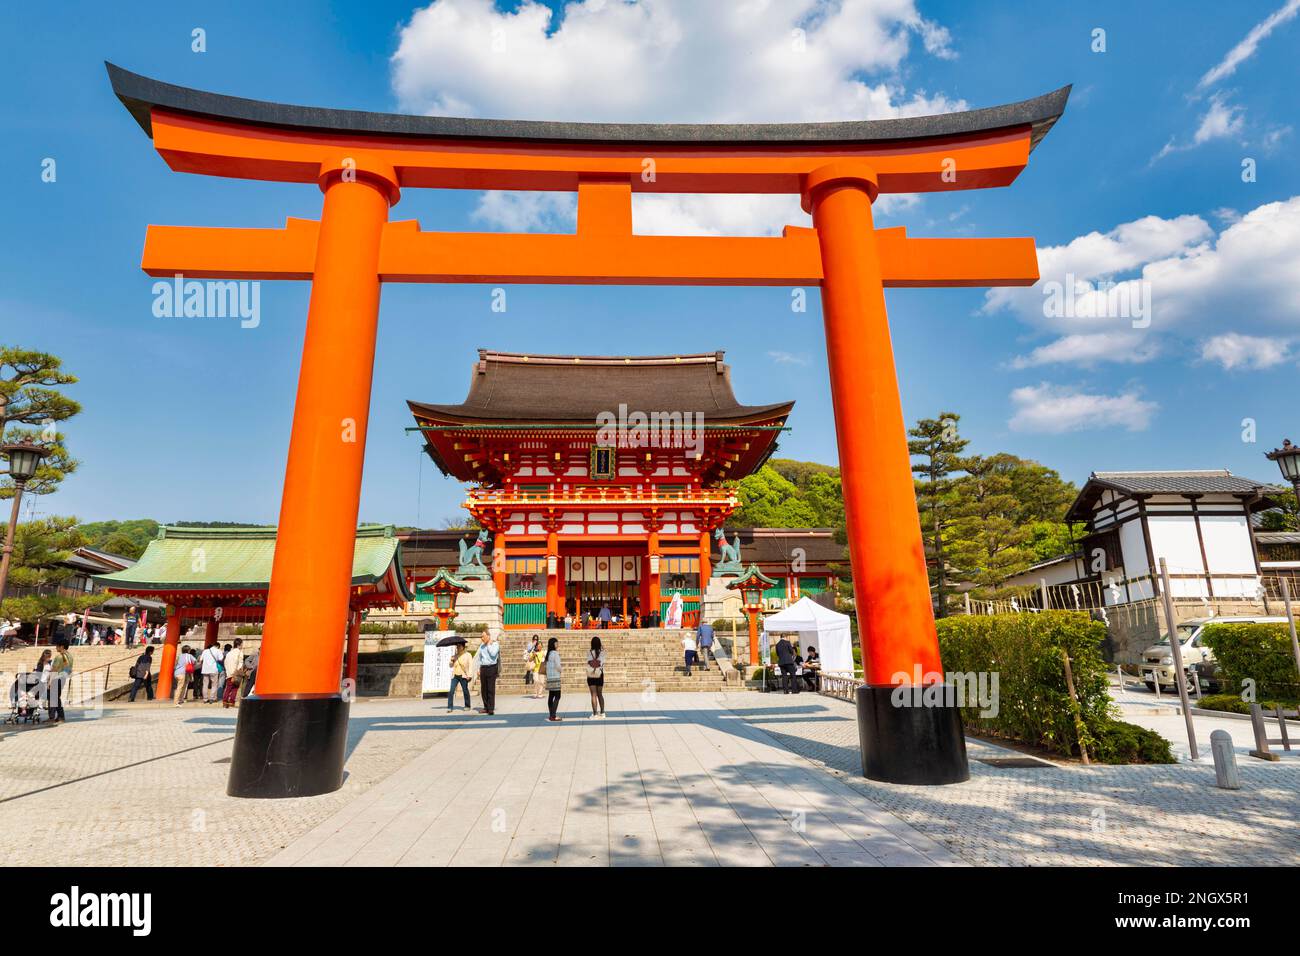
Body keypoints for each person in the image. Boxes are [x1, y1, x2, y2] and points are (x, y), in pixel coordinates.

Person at [474, 631, 501, 715]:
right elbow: (479, 658)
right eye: (481, 637)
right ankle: (486, 707)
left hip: (492, 668)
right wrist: (478, 669)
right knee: (484, 689)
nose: (482, 638)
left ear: (488, 636)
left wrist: (489, 644)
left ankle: (491, 708)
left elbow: (493, 654)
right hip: (483, 668)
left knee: (490, 689)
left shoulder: (495, 644)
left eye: (483, 636)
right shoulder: (481, 646)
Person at [48, 639, 73, 723]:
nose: (56, 648)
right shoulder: (70, 656)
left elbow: (54, 670)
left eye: (57, 646)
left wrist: (50, 681)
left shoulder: (59, 657)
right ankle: (60, 717)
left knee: (53, 698)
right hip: (63, 678)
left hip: (56, 678)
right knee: (56, 698)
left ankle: (52, 717)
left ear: (61, 646)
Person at [448, 641, 473, 712]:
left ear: (463, 647)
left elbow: (471, 666)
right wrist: (452, 661)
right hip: (455, 675)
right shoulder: (455, 656)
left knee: (465, 690)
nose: (457, 647)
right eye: (457, 646)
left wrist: (470, 675)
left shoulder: (468, 655)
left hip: (463, 675)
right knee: (451, 691)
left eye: (459, 646)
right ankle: (450, 707)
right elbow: (450, 666)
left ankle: (467, 705)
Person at [586, 636, 606, 719]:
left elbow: (588, 662)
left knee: (593, 695)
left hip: (591, 674)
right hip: (599, 674)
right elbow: (602, 663)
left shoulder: (589, 652)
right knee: (600, 694)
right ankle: (602, 712)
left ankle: (595, 714)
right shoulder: (603, 652)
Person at [544, 637, 563, 722]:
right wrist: (561, 671)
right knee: (558, 696)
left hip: (549, 677)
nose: (558, 644)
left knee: (551, 696)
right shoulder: (555, 653)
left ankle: (551, 714)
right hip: (555, 676)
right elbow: (558, 666)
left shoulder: (548, 654)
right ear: (553, 644)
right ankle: (553, 715)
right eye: (556, 643)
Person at [222, 639, 244, 707]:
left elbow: (225, 662)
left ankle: (225, 701)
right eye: (242, 644)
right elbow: (240, 663)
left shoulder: (229, 653)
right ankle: (231, 701)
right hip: (235, 673)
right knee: (235, 688)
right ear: (239, 645)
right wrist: (239, 671)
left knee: (228, 687)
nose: (242, 645)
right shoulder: (240, 652)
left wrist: (228, 670)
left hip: (229, 672)